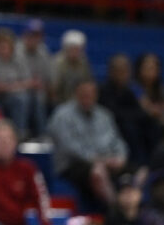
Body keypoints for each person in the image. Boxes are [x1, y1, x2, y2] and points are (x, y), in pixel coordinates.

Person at [48, 78, 128, 210]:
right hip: (72, 165)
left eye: (91, 93)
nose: (87, 96)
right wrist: (98, 160)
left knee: (140, 172)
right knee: (97, 172)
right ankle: (116, 211)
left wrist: (121, 157)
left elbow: (117, 140)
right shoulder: (62, 115)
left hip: (105, 161)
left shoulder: (104, 115)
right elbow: (70, 147)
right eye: (83, 93)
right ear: (75, 94)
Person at [0, 120, 50, 225]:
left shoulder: (27, 169)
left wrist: (45, 223)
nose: (4, 144)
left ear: (15, 142)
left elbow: (41, 200)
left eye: (8, 139)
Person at [0, 28, 34, 137]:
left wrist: (11, 86)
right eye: (1, 47)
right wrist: (17, 85)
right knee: (13, 100)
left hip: (12, 96)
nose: (4, 50)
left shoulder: (18, 60)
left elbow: (29, 82)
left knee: (25, 98)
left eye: (7, 47)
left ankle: (20, 133)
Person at [51, 30, 93, 105]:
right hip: (61, 101)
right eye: (72, 49)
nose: (75, 52)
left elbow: (88, 82)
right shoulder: (57, 62)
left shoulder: (83, 62)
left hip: (79, 101)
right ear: (66, 48)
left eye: (78, 49)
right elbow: (54, 88)